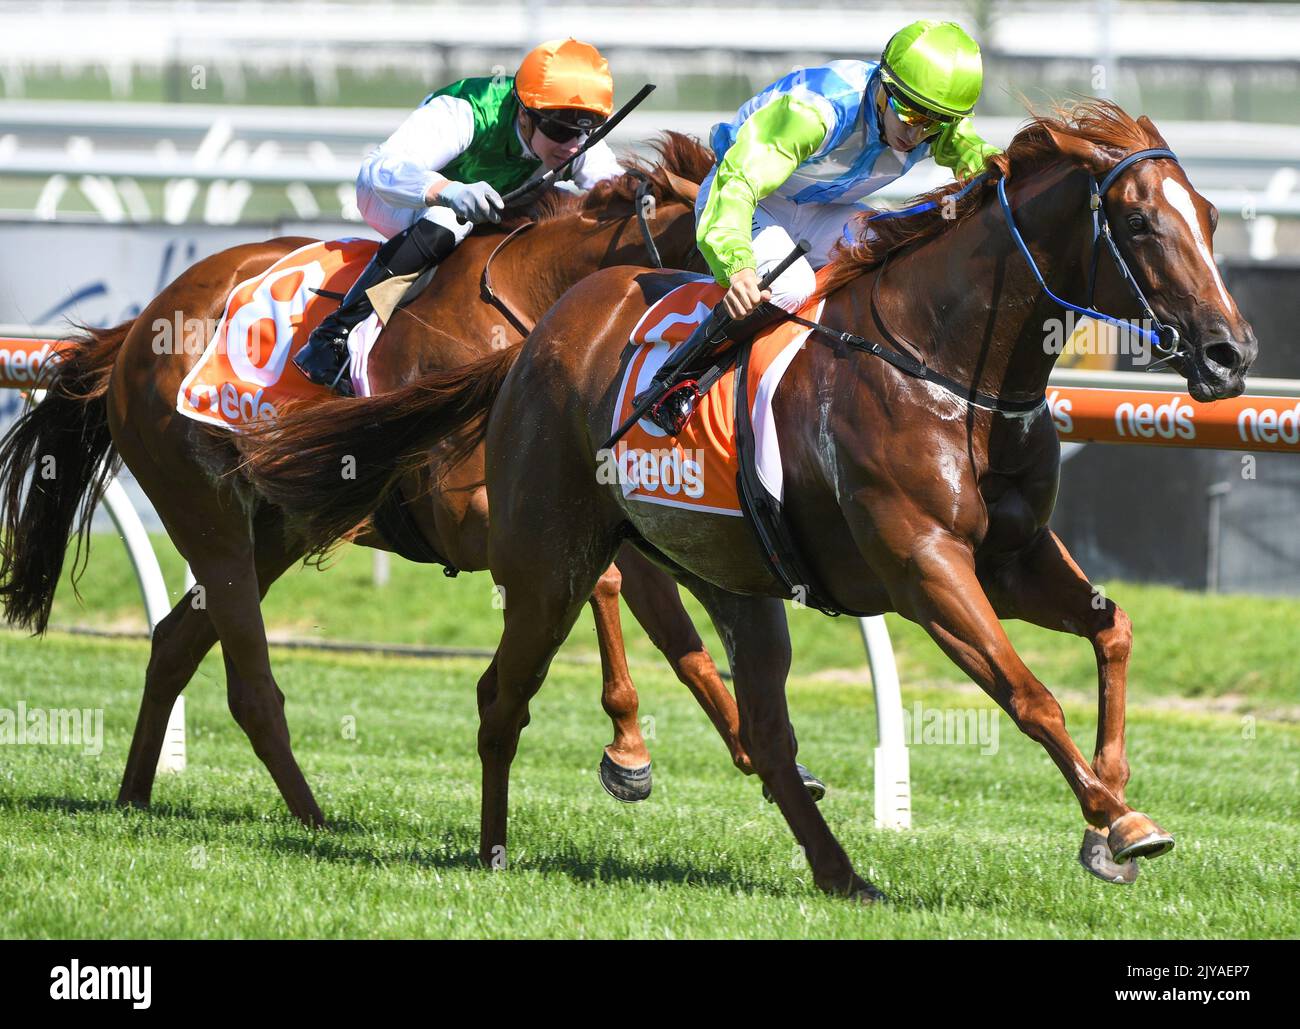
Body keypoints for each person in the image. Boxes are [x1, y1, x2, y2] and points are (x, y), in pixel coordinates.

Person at [638, 19, 1002, 434]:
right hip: (746, 194)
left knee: (893, 245)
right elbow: (738, 182)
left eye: (935, 122)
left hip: (821, 206)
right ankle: (676, 377)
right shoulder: (819, 110)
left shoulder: (934, 123)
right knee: (791, 285)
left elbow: (984, 163)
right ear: (884, 86)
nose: (916, 132)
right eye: (910, 113)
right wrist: (738, 265)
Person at [295, 38, 626, 394]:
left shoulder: (574, 140)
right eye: (560, 130)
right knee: (451, 220)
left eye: (585, 129)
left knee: (557, 209)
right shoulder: (466, 111)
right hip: (398, 195)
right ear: (524, 114)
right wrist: (447, 191)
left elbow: (617, 191)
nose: (573, 144)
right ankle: (334, 336)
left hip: (486, 205)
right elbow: (380, 170)